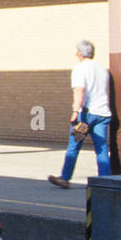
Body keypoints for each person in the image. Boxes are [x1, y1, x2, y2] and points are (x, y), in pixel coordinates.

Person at [48, 40, 112, 188]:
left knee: (74, 146)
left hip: (85, 116)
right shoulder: (102, 69)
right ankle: (105, 180)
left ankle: (65, 177)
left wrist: (75, 111)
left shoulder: (80, 68)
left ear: (80, 53)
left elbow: (79, 90)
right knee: (101, 148)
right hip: (102, 114)